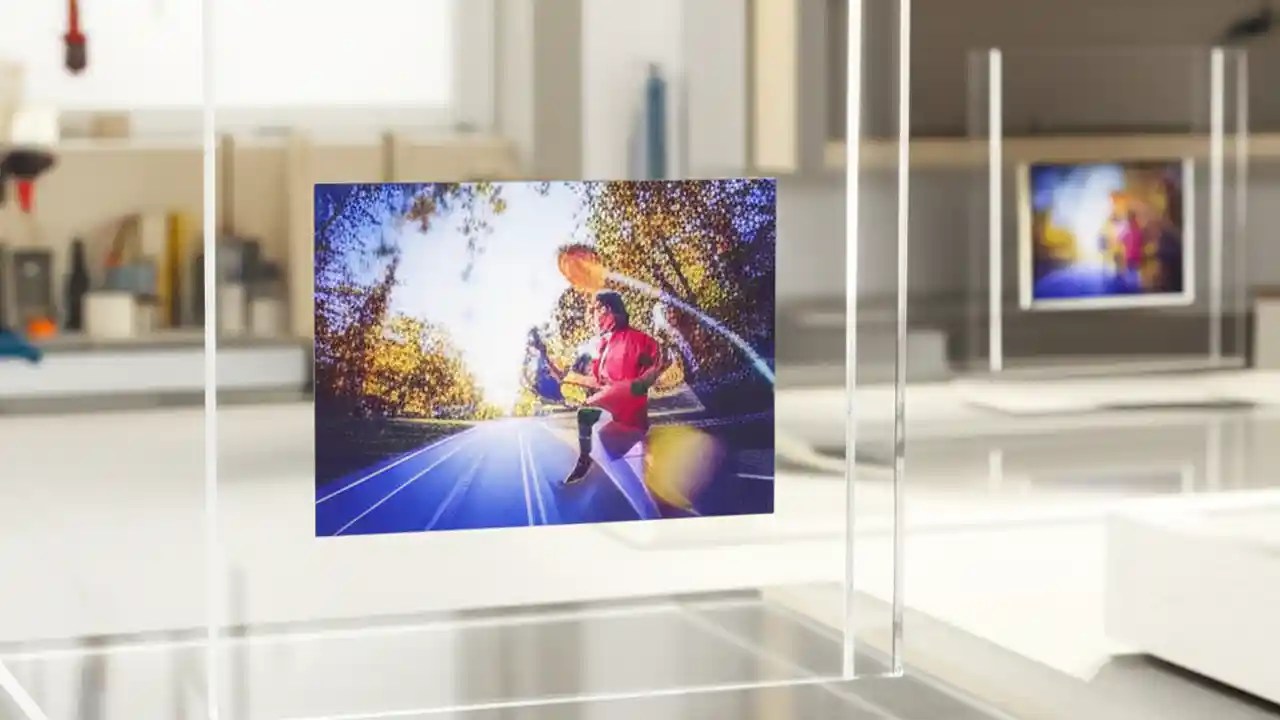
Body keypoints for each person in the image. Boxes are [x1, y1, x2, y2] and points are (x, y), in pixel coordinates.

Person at [530, 290, 667, 486]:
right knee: (587, 416)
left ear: (606, 310)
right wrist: (554, 366)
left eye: (594, 310)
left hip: (632, 423)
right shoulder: (604, 347)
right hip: (614, 428)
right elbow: (596, 381)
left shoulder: (639, 340)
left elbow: (658, 363)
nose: (591, 317)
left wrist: (637, 385)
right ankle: (585, 462)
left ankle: (636, 463)